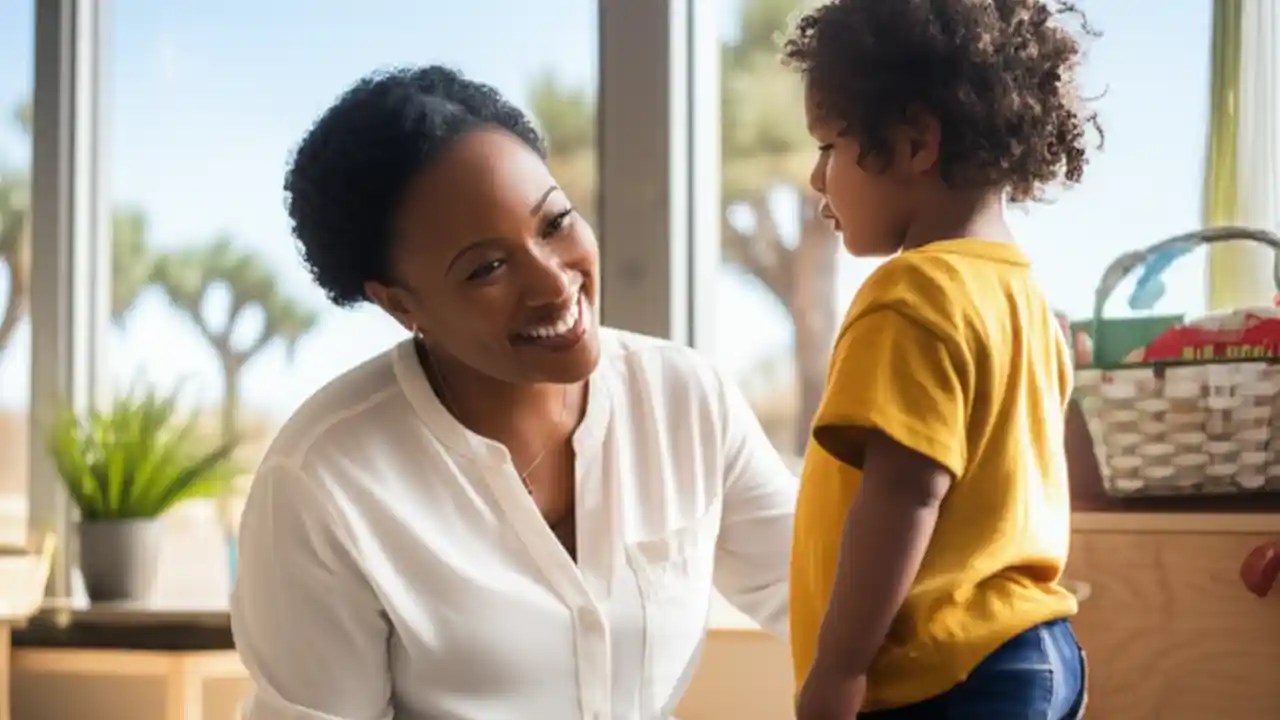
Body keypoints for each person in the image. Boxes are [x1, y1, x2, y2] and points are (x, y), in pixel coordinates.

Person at [229, 65, 798, 720]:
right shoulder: (325, 482)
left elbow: (841, 597)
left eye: (554, 223)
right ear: (400, 305)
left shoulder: (683, 400)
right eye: (488, 268)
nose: (555, 284)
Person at [782, 1, 1095, 718]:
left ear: (917, 142)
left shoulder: (912, 293)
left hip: (944, 673)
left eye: (830, 146)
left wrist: (837, 670)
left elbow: (903, 495)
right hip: (1035, 649)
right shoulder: (1026, 300)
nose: (815, 180)